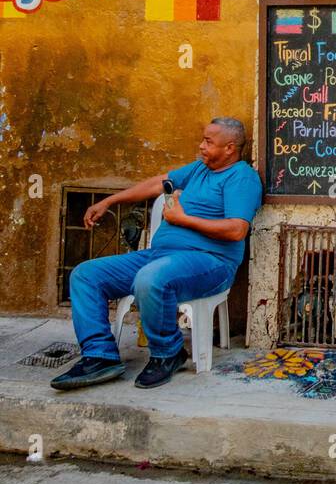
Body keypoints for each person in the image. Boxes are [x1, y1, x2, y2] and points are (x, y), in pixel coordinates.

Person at [52, 118, 263, 392]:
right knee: (86, 274)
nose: (201, 146)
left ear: (230, 148)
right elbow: (158, 183)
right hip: (161, 255)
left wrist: (183, 219)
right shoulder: (200, 169)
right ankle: (100, 356)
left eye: (209, 142)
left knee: (150, 278)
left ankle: (168, 352)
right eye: (203, 139)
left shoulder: (241, 177)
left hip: (210, 262)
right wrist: (110, 201)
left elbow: (236, 230)